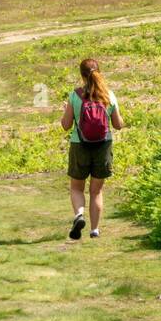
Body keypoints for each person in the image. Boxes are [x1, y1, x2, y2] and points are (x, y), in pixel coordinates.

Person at [61, 58, 123, 241]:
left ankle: (79, 215)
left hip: (79, 144)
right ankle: (94, 230)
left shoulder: (76, 95)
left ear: (81, 75)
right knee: (96, 190)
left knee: (77, 187)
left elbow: (65, 125)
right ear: (100, 72)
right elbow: (118, 125)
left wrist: (66, 110)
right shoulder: (109, 95)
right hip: (103, 146)